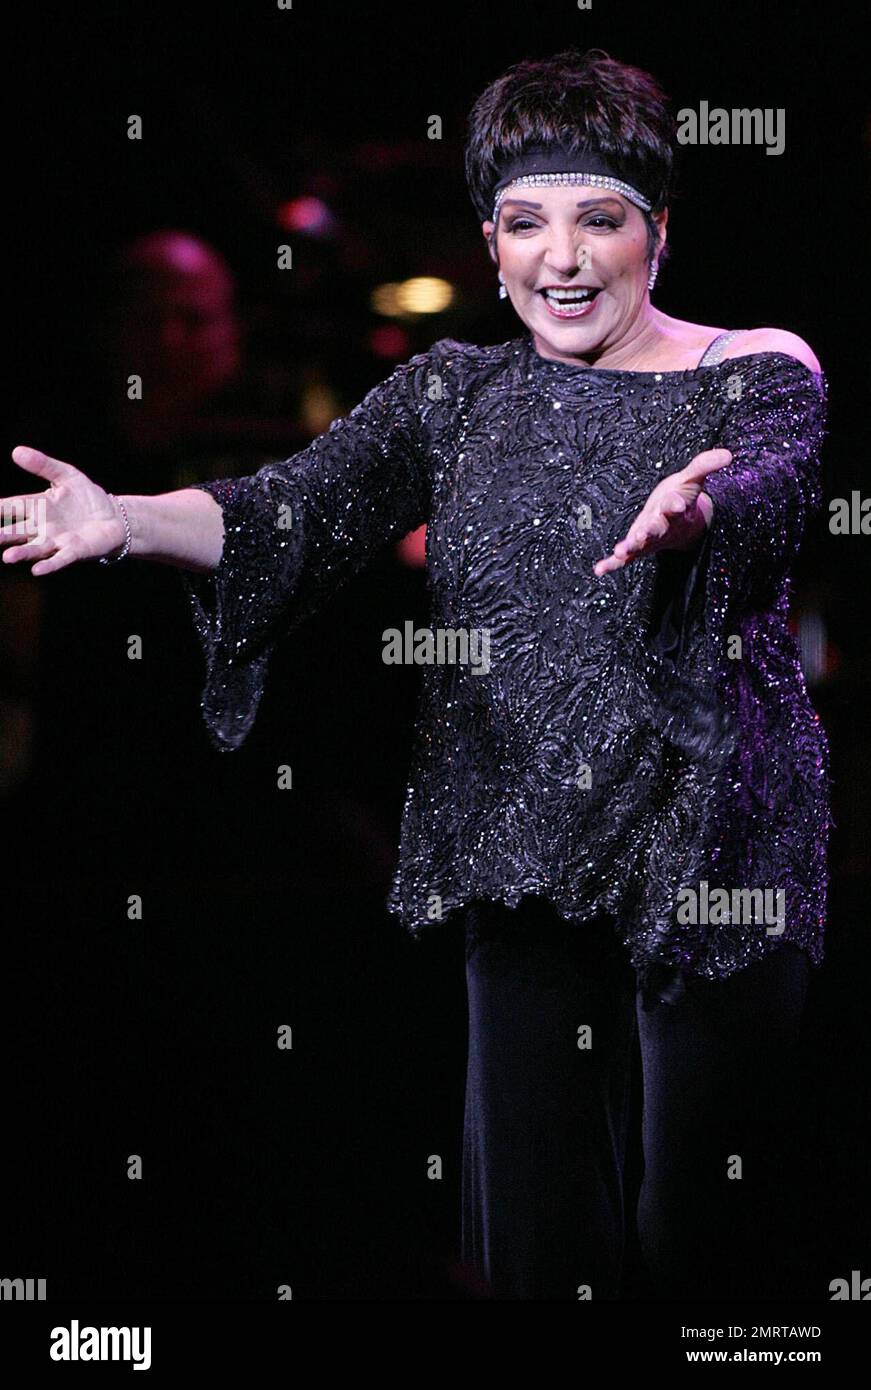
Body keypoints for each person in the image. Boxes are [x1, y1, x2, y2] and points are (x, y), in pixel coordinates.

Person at [2, 47, 829, 1300]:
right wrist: (128, 516)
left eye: (595, 220)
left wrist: (700, 509)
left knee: (704, 1240)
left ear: (655, 232)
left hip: (711, 848)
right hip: (521, 848)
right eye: (522, 223)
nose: (559, 257)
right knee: (539, 1241)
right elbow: (291, 512)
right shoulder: (451, 394)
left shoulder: (754, 361)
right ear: (488, 245)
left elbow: (776, 481)